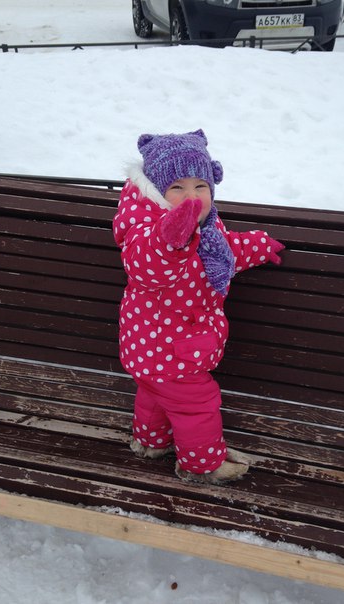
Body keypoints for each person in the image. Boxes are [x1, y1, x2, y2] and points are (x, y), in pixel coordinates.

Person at [113, 129, 284, 484]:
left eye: (200, 186)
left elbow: (223, 251)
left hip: (152, 348)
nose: (191, 197)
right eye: (177, 187)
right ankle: (202, 465)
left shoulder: (206, 225)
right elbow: (147, 266)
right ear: (156, 190)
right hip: (170, 348)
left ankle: (150, 443)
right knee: (196, 404)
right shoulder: (146, 229)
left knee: (155, 393)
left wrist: (257, 246)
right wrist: (169, 239)